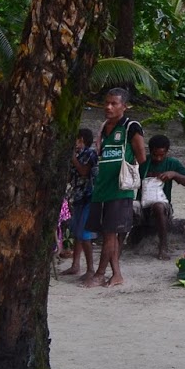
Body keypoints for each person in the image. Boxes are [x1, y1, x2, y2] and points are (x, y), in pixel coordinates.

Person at [84, 87, 145, 287]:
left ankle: (100, 274)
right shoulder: (103, 127)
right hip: (101, 188)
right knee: (107, 233)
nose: (108, 107)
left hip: (120, 188)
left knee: (110, 233)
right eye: (106, 103)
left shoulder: (131, 127)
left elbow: (141, 157)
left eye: (114, 104)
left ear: (124, 106)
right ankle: (116, 274)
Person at [138, 134, 185, 260]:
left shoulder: (172, 163)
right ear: (150, 151)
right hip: (142, 203)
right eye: (155, 155)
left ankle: (163, 246)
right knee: (126, 205)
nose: (158, 158)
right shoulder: (143, 162)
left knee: (158, 206)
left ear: (167, 152)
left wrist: (174, 175)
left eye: (161, 155)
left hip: (162, 206)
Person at [65, 128, 97, 277]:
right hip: (77, 197)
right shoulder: (79, 155)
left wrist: (72, 158)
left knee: (84, 234)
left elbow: (84, 171)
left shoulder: (90, 154)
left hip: (88, 197)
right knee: (77, 233)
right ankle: (75, 265)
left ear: (81, 140)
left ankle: (90, 269)